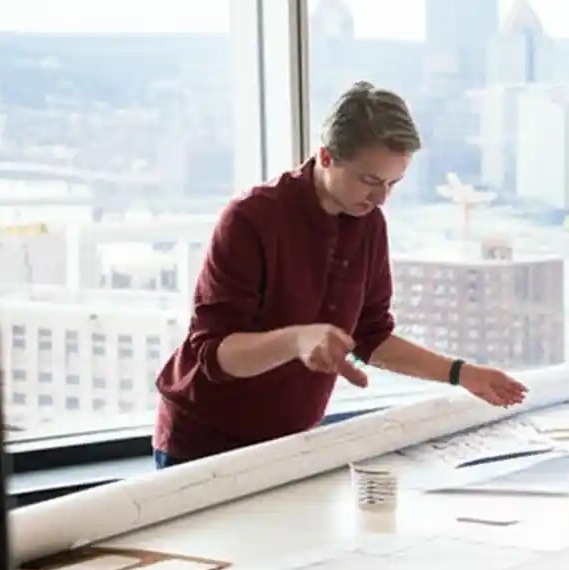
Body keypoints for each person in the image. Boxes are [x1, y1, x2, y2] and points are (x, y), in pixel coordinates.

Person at [152, 81, 528, 467]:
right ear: (327, 157)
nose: (382, 198)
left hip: (290, 443)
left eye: (393, 184)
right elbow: (215, 355)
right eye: (370, 181)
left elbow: (371, 336)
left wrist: (461, 374)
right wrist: (296, 340)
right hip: (204, 444)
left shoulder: (369, 223)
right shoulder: (250, 218)